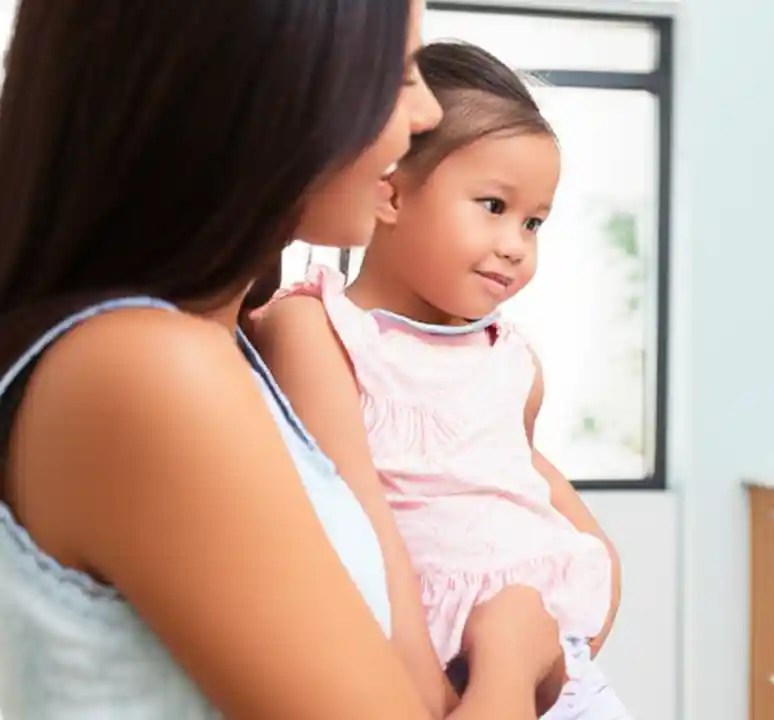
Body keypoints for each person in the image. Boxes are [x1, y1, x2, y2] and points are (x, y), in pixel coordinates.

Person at [0, 2, 568, 718]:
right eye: (396, 78)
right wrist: (513, 660)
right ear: (269, 83)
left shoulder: (218, 348)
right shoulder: (150, 372)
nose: (425, 113)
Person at [251, 40, 629, 718]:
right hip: (420, 677)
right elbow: (357, 534)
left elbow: (567, 527)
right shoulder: (320, 330)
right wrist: (491, 676)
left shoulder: (510, 360)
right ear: (390, 194)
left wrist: (551, 650)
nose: (517, 243)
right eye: (492, 205)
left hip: (553, 673)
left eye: (534, 222)